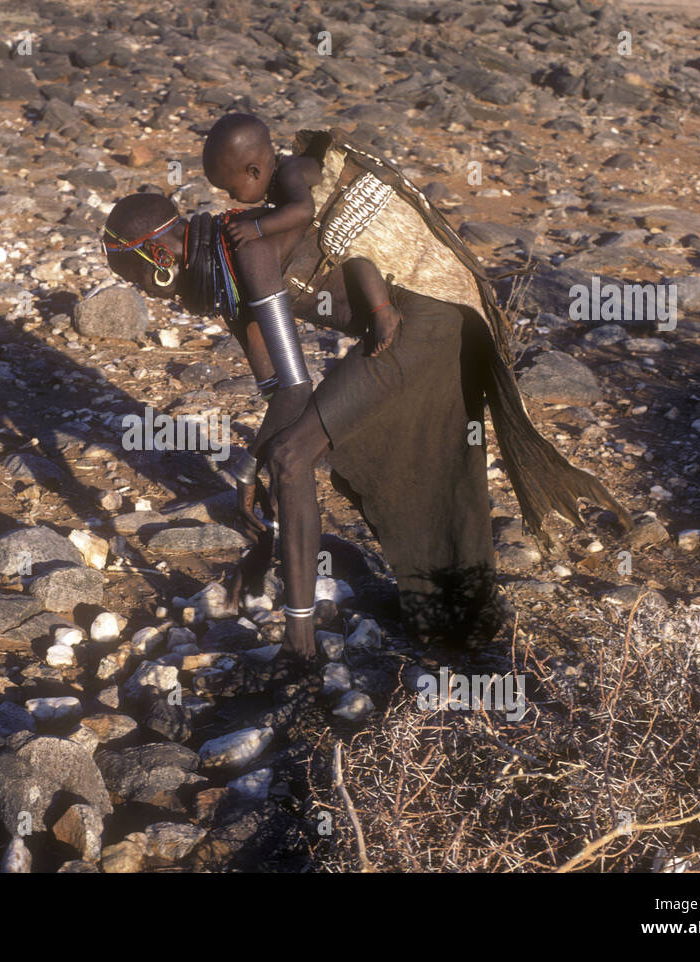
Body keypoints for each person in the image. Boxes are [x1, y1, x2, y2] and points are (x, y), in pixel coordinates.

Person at [101, 127, 632, 666]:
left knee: (294, 458)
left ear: (156, 254)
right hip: (412, 331)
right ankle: (452, 620)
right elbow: (282, 399)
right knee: (415, 465)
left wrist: (263, 467)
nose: (148, 292)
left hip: (418, 325)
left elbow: (297, 394)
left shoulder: (248, 251)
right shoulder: (224, 278)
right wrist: (247, 476)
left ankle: (301, 640)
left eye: (140, 279)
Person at [203, 112, 400, 357]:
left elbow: (303, 211)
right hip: (336, 211)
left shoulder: (288, 172)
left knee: (352, 254)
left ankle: (383, 310)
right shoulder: (278, 176)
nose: (232, 198)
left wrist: (256, 228)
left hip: (358, 211)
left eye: (232, 189)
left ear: (254, 172)